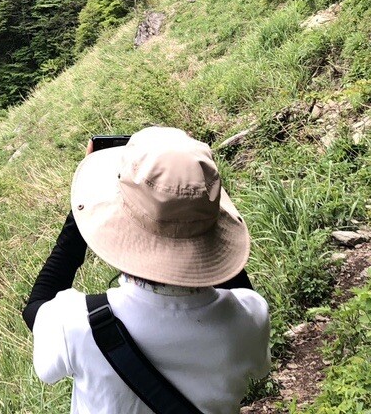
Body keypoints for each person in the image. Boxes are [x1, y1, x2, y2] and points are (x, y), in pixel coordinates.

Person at [23, 126, 270, 414]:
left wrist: (80, 213)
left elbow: (35, 309)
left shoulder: (77, 325)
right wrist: (196, 204)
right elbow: (237, 286)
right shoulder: (249, 318)